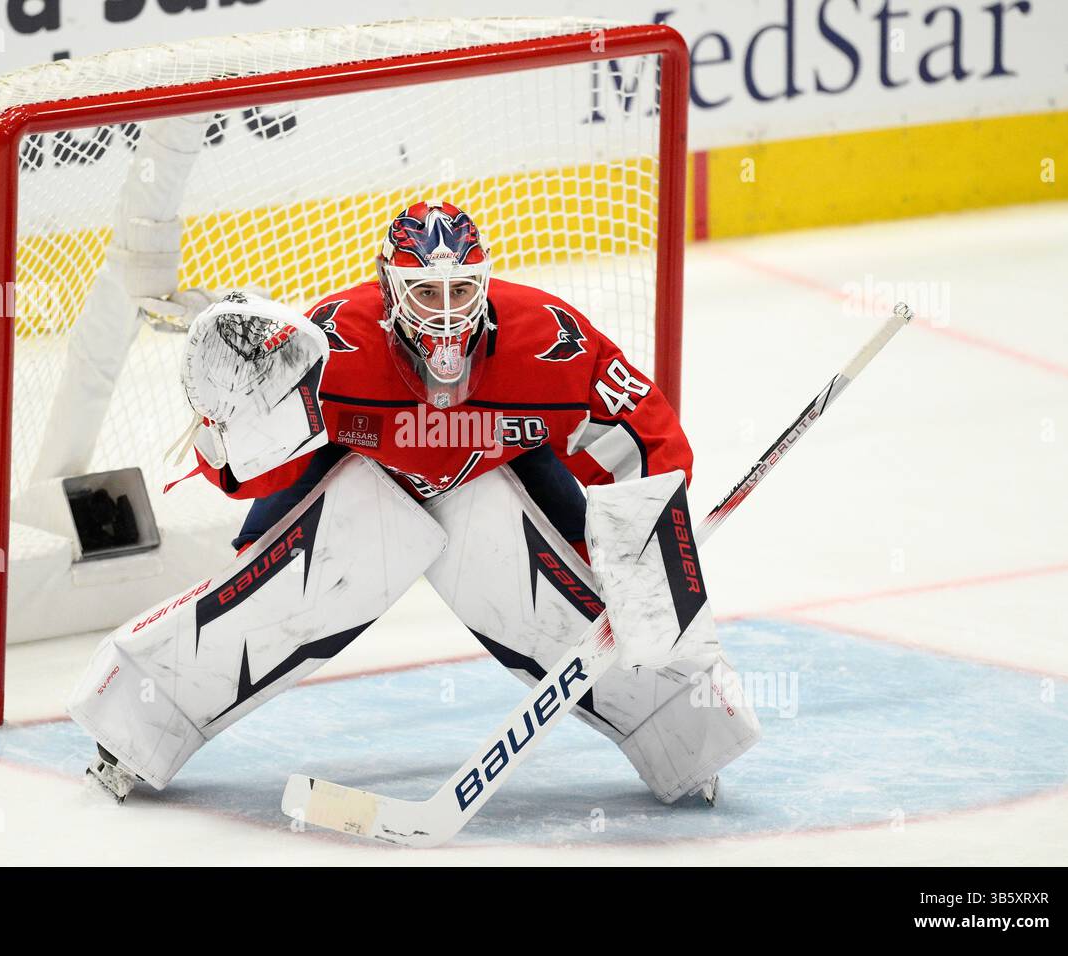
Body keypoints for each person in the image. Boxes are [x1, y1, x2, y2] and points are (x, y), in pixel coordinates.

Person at [68, 201, 760, 810]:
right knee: (275, 593)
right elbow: (249, 472)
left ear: (486, 282)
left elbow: (643, 435)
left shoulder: (548, 338)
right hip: (356, 471)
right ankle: (136, 721)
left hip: (507, 471)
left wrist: (646, 561)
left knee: (587, 605)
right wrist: (224, 435)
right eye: (427, 291)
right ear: (389, 288)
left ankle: (685, 727)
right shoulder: (331, 341)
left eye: (462, 288)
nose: (448, 308)